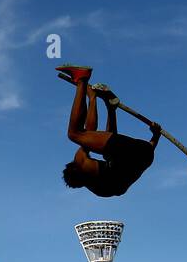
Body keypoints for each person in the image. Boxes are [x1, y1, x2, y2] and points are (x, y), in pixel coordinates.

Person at [56, 65, 161, 198]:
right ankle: (82, 78)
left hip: (145, 153)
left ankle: (111, 109)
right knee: (75, 134)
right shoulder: (81, 165)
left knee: (110, 154)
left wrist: (156, 135)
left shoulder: (105, 188)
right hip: (130, 154)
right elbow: (90, 133)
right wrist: (91, 98)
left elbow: (144, 149)